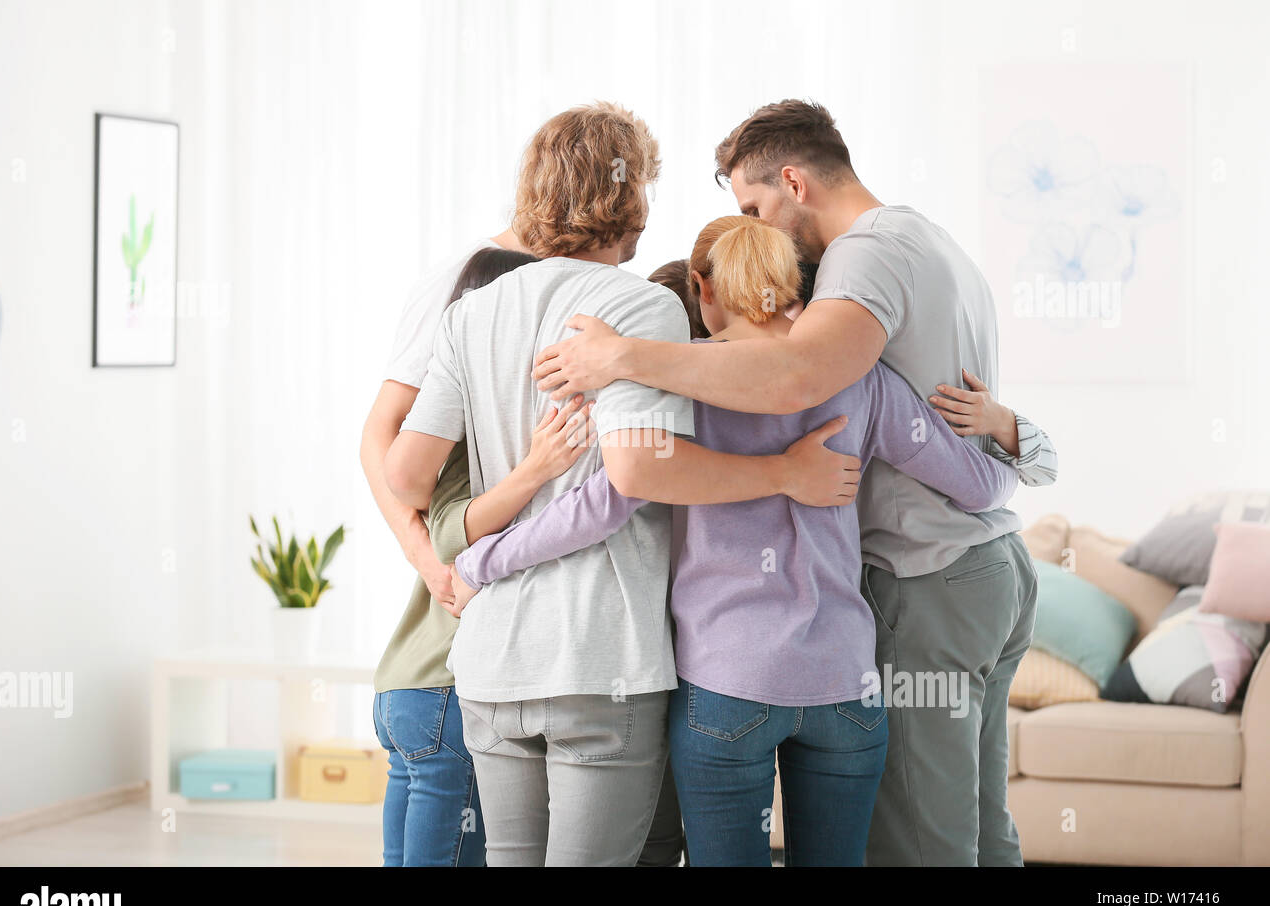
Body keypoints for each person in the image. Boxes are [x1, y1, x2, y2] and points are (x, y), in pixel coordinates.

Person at [529, 100, 1058, 866]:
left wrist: (625, 359)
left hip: (918, 585)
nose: (760, 230)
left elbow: (793, 377)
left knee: (925, 845)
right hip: (978, 577)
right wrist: (1018, 437)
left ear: (791, 181)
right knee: (981, 824)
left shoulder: (860, 258)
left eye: (754, 207)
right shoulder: (930, 245)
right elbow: (981, 481)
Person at [383, 103, 860, 867]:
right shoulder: (639, 308)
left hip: (492, 661)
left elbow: (406, 473)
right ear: (630, 198)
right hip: (599, 661)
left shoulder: (471, 314)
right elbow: (639, 471)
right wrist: (783, 474)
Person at [367, 247, 604, 865]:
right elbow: (451, 532)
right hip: (446, 689)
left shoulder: (453, 430)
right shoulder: (473, 442)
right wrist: (535, 470)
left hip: (405, 688)